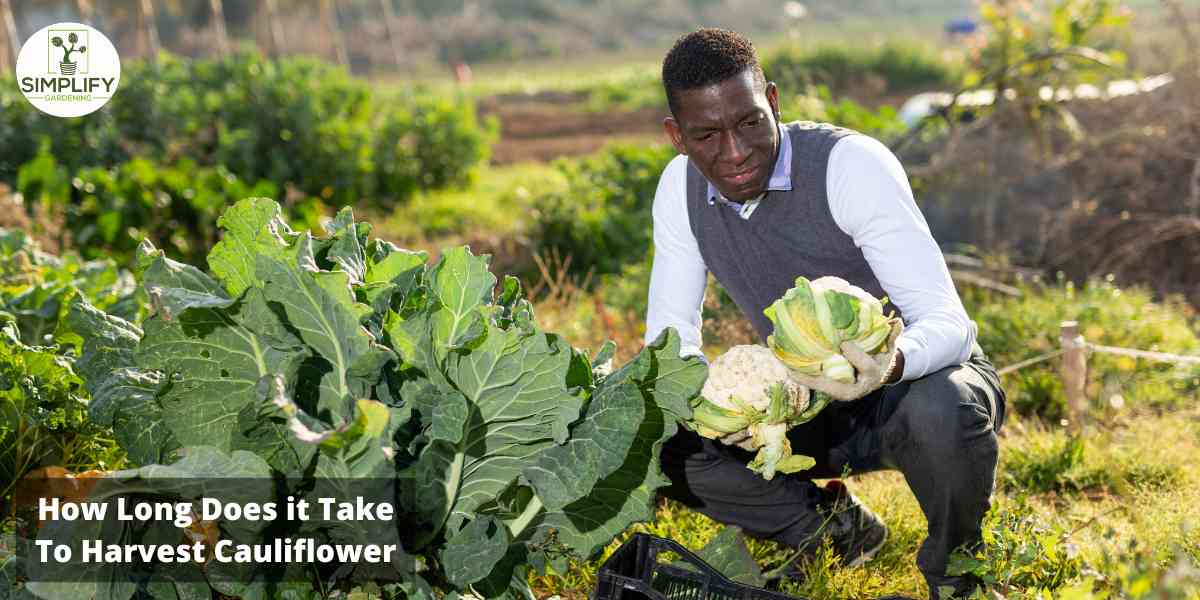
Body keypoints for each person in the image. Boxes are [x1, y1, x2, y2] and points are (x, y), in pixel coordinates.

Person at [643, 28, 1006, 600]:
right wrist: (718, 405)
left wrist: (886, 365)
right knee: (653, 428)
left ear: (774, 103)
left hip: (905, 388)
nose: (733, 152)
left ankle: (958, 574)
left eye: (749, 123)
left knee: (947, 408)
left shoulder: (849, 166)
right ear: (676, 136)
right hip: (801, 401)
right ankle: (832, 528)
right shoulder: (678, 191)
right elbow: (669, 339)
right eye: (706, 135)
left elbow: (950, 324)